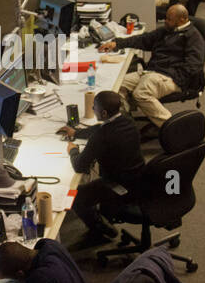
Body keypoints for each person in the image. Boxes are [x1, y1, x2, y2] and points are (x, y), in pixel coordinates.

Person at [98, 4, 205, 131]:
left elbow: (194, 65)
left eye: (169, 19)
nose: (166, 21)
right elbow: (143, 39)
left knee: (141, 93)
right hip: (152, 72)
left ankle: (175, 130)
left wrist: (175, 78)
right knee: (116, 87)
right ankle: (124, 127)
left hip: (171, 77)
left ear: (182, 19)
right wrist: (117, 43)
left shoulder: (193, 36)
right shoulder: (166, 31)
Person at [58, 91, 144, 247]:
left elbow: (79, 166)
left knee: (76, 197)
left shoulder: (102, 137)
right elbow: (102, 127)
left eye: (94, 107)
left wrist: (72, 150)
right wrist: (77, 133)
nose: (92, 108)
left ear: (103, 113)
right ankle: (103, 219)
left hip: (118, 186)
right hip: (139, 178)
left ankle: (101, 230)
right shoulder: (128, 121)